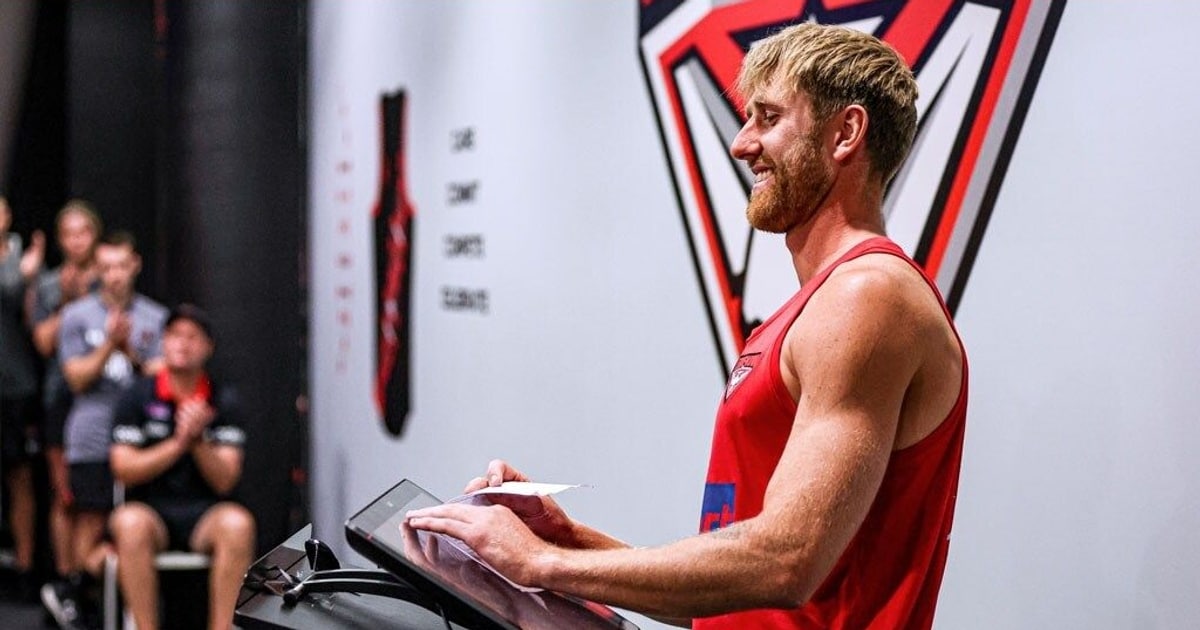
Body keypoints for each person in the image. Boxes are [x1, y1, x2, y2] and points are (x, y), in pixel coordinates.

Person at [406, 23, 968, 629]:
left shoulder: (868, 297)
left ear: (846, 134)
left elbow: (786, 563)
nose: (742, 144)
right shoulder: (821, 303)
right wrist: (569, 542)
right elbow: (738, 593)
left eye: (769, 118)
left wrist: (539, 562)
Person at [43, 230, 166, 629]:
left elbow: (162, 378)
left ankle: (125, 602)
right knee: (91, 526)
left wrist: (130, 351)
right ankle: (80, 595)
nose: (114, 275)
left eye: (121, 266)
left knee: (135, 525)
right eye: (107, 267)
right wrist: (109, 347)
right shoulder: (78, 315)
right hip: (91, 436)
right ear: (97, 269)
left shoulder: (154, 317)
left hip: (139, 440)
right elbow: (76, 378)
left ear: (135, 266)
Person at [108, 303, 254, 630]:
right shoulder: (136, 395)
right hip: (152, 512)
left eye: (192, 337)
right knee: (128, 523)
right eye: (174, 335)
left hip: (204, 514)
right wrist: (178, 443)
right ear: (163, 341)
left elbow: (225, 480)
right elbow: (123, 468)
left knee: (238, 524)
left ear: (208, 347)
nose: (182, 344)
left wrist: (199, 440)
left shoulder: (224, 400)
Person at [30, 200, 102, 608]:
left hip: (100, 399)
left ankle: (86, 582)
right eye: (69, 234)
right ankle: (62, 582)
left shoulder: (109, 274)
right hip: (61, 395)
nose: (77, 241)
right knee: (65, 496)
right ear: (61, 240)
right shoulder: (51, 284)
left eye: (84, 232)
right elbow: (41, 342)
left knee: (95, 497)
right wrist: (67, 304)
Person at [0, 195, 45, 600]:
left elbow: (34, 313)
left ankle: (26, 566)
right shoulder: (20, 261)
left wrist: (27, 273)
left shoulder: (23, 253)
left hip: (15, 382)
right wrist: (18, 272)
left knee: (20, 476)